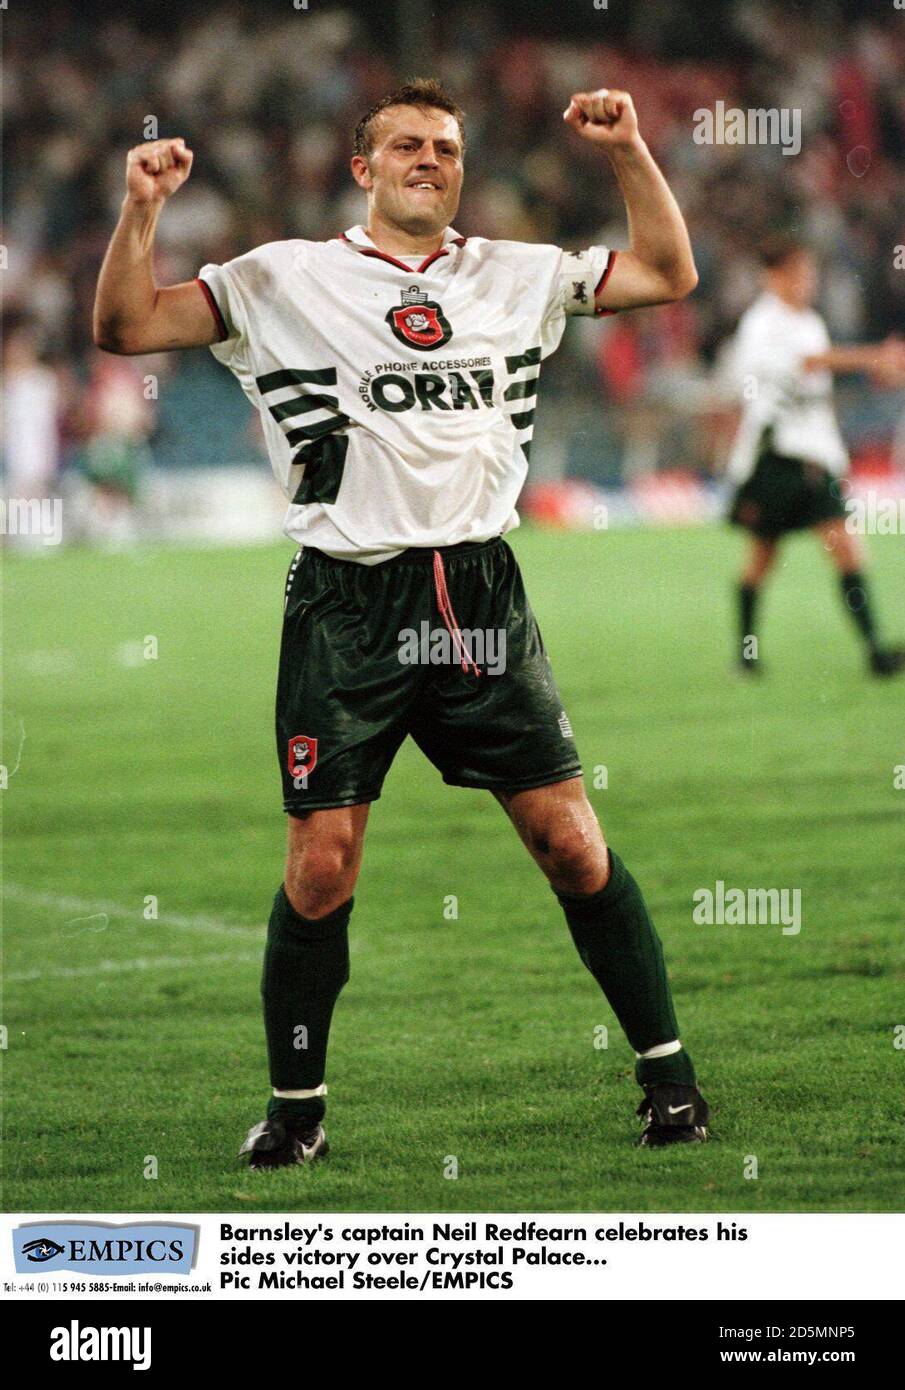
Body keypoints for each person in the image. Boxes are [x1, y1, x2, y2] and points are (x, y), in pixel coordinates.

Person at [93, 79, 709, 1163]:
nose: (430, 160)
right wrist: (139, 208)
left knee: (569, 842)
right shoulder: (281, 277)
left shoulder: (517, 276)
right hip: (345, 603)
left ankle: (669, 1080)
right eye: (408, 146)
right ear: (361, 167)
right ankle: (296, 1113)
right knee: (322, 865)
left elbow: (668, 271)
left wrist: (626, 150)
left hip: (477, 596)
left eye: (447, 148)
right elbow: (125, 323)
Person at [726, 233, 905, 677]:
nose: (807, 281)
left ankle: (875, 651)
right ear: (773, 275)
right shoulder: (763, 324)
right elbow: (810, 363)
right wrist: (871, 358)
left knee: (846, 548)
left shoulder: (809, 321)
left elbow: (817, 367)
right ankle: (746, 655)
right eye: (798, 272)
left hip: (812, 458)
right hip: (776, 457)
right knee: (761, 559)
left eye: (810, 272)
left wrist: (870, 366)